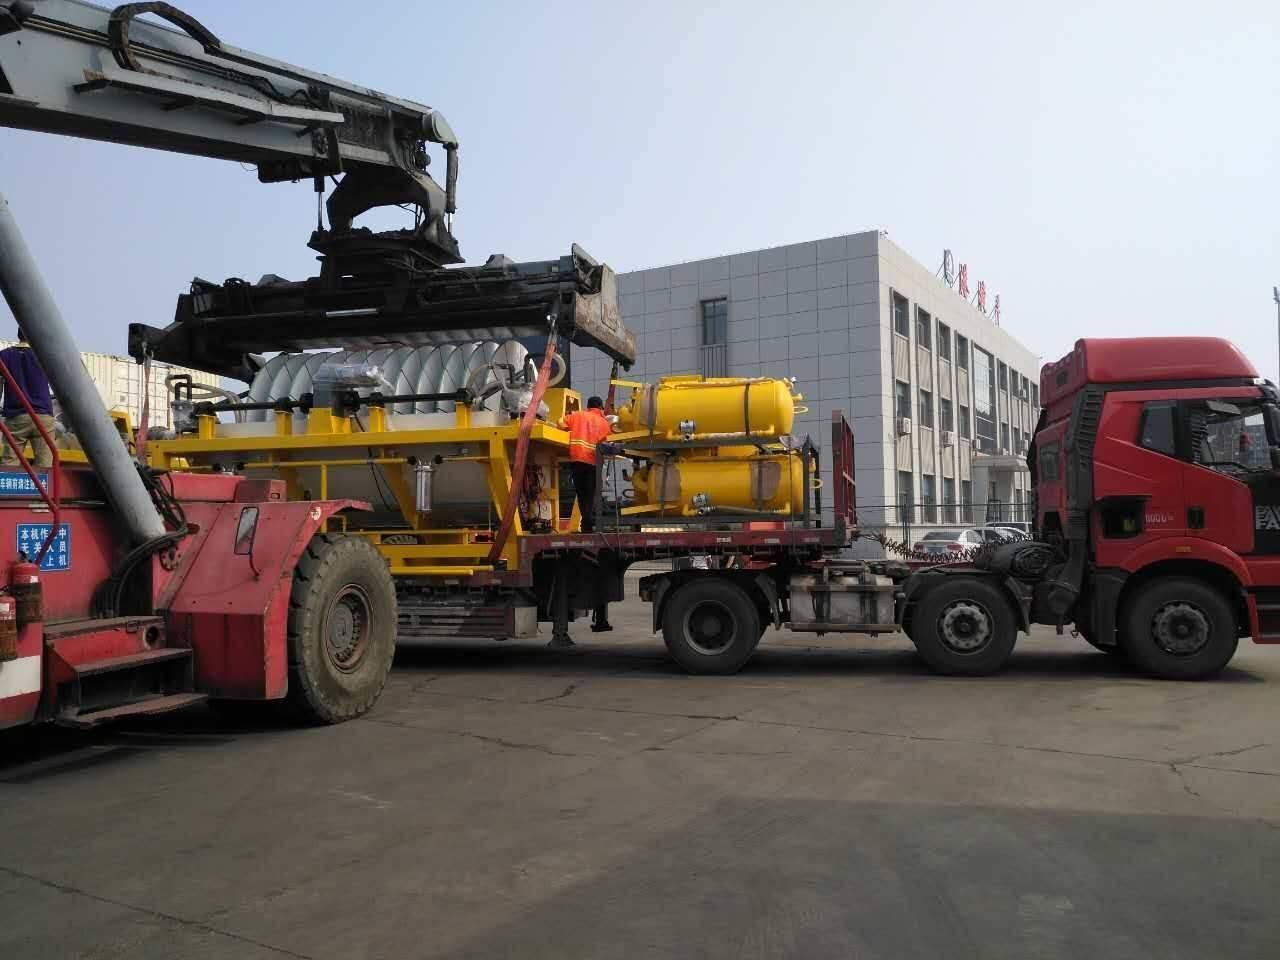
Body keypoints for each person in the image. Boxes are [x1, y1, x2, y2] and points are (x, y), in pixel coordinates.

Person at [558, 395, 614, 633]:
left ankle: (586, 524)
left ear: (588, 405)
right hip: (592, 462)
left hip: (576, 460)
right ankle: (590, 523)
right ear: (600, 407)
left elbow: (560, 423)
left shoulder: (577, 416)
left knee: (581, 495)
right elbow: (607, 444)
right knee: (591, 495)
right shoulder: (603, 422)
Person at [0, 327, 56, 468]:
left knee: (10, 463)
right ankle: (43, 483)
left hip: (16, 417)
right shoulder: (45, 356)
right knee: (45, 464)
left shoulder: (4, 356)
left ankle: (9, 482)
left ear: (18, 335)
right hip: (43, 416)